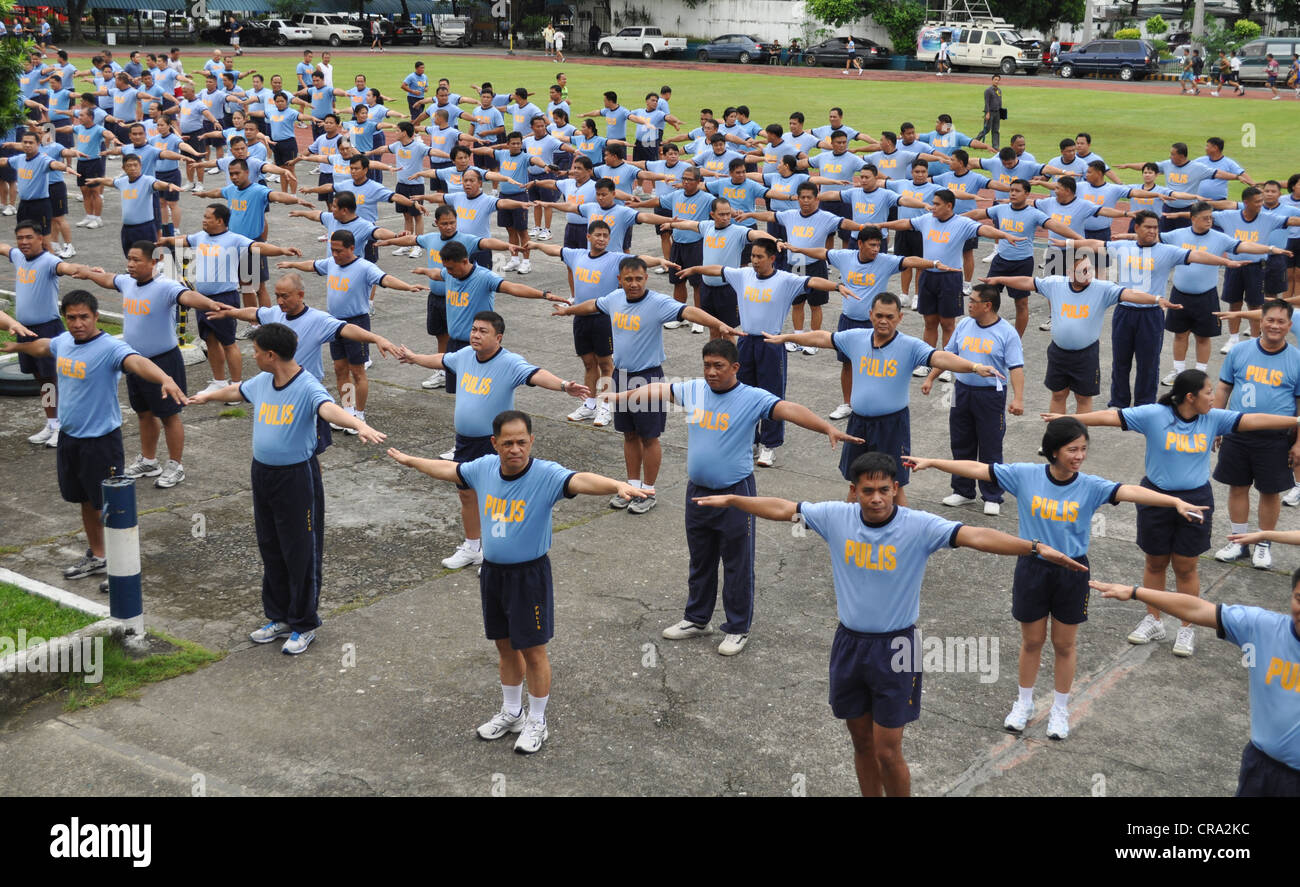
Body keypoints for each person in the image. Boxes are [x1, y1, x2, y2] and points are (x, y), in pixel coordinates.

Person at [695, 451, 1083, 794]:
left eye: (884, 489)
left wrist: (1034, 548)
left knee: (887, 747)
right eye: (867, 490)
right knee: (861, 743)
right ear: (854, 492)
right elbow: (783, 508)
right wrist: (734, 499)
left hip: (898, 648)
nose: (877, 498)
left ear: (896, 488)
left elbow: (976, 535)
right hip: (848, 644)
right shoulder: (836, 517)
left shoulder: (919, 526)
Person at [906, 419, 1206, 740]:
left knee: (1064, 644)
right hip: (1032, 567)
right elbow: (979, 469)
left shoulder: (1089, 486)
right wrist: (934, 462)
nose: (1079, 456)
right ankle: (1024, 703)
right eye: (1072, 449)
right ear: (1053, 451)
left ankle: (1060, 708)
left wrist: (1173, 501)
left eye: (1083, 449)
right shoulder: (1025, 475)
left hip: (1072, 571)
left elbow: (1129, 491)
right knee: (1032, 641)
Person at [389, 410, 645, 754]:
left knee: (533, 650)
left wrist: (616, 485)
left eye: (521, 442)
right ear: (494, 444)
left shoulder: (545, 475)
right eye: (507, 443)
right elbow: (451, 470)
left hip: (529, 577)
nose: (514, 449)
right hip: (493, 575)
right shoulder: (482, 468)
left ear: (531, 442)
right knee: (504, 646)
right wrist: (411, 461)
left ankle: (537, 721)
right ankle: (512, 713)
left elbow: (580, 480)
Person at [604, 339, 862, 656]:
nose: (711, 372)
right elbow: (655, 391)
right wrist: (619, 396)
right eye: (707, 365)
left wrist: (827, 428)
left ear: (735, 367)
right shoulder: (694, 389)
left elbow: (789, 409)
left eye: (719, 366)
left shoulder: (751, 398)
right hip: (696, 492)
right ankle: (697, 619)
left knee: (738, 564)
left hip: (736, 493)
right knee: (701, 560)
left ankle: (737, 627)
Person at [1045, 369, 1300, 657]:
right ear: (1190, 397)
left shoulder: (1214, 418)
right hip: (1155, 497)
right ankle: (1153, 620)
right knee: (1155, 563)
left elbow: (1254, 420)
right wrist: (1069, 420)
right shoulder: (1155, 415)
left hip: (1196, 500)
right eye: (1208, 392)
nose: (1214, 398)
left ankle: (1186, 626)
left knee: (1185, 565)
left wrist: (1296, 420)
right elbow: (1111, 417)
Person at [191, 323, 383, 655]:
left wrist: (358, 423)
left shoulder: (306, 385)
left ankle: (304, 623)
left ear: (270, 355)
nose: (252, 356)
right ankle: (279, 618)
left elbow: (328, 408)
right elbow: (237, 391)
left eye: (255, 351)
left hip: (295, 477)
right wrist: (208, 395)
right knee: (271, 546)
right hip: (262, 474)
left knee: (300, 551)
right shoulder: (264, 381)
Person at [4, 290, 187, 581]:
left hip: (101, 442)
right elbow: (44, 346)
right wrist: (18, 346)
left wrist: (164, 378)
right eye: (72, 318)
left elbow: (137, 363)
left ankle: (122, 565)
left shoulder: (110, 348)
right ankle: (99, 555)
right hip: (70, 438)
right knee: (85, 501)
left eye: (84, 317)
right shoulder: (64, 342)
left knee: (111, 505)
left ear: (96, 316)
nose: (78, 323)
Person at [395, 310, 593, 570]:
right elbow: (442, 359)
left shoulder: (509, 363)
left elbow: (536, 373)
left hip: (493, 444)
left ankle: (493, 549)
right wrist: (414, 358)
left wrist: (563, 385)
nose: (475, 335)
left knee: (495, 497)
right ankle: (472, 547)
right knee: (466, 494)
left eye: (483, 331)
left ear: (498, 337)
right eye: (474, 329)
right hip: (464, 442)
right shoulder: (465, 355)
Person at [769, 288, 1001, 507]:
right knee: (855, 482)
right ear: (870, 315)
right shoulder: (855, 338)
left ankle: (902, 538)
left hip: (892, 426)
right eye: (879, 315)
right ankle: (849, 526)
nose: (883, 321)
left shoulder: (909, 346)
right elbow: (822, 338)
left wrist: (973, 366)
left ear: (900, 317)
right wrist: (788, 337)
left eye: (890, 316)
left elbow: (940, 357)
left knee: (894, 484)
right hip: (858, 424)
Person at [1091, 575, 1300, 796]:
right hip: (1261, 768)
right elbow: (1198, 609)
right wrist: (1135, 592)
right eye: (1298, 598)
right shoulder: (1263, 627)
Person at [555, 255, 727, 511]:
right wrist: (569, 309)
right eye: (628, 279)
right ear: (619, 280)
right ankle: (632, 485)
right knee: (629, 434)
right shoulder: (613, 299)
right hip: (620, 377)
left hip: (647, 378)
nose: (633, 284)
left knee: (649, 437)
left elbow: (688, 311)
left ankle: (648, 490)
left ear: (646, 278)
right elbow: (592, 305)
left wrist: (718, 323)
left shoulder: (657, 303)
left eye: (638, 279)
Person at [71, 242, 233, 489]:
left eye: (136, 260)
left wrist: (210, 304)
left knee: (169, 416)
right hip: (135, 362)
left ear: (153, 262)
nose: (131, 265)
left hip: (164, 361)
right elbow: (107, 279)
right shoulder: (127, 282)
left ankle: (175, 465)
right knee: (144, 413)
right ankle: (148, 461)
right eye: (129, 260)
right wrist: (87, 273)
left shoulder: (165, 287)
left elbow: (187, 296)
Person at [984, 248, 1174, 416]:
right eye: (1083, 270)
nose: (1088, 274)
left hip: (1086, 355)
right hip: (1058, 353)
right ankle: (1057, 439)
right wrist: (1000, 279)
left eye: (1090, 269)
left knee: (1083, 398)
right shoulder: (1055, 284)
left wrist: (1156, 299)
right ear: (1070, 272)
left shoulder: (1103, 289)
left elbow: (1130, 294)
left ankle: (1077, 438)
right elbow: (1027, 281)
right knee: (1058, 394)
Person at [277, 230, 424, 430]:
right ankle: (347, 412)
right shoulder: (331, 263)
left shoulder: (364, 267)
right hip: (334, 324)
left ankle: (359, 415)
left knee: (358, 372)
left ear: (351, 248)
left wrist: (407, 287)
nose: (335, 255)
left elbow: (385, 279)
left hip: (357, 323)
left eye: (339, 251)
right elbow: (312, 265)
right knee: (340, 369)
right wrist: (292, 264)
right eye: (333, 250)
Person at [1206, 299, 1300, 571]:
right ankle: (1238, 541)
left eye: (1281, 321)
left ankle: (1263, 543)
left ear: (1289, 326)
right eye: (1270, 319)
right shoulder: (1240, 351)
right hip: (1238, 431)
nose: (1274, 325)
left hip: (1275, 438)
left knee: (1270, 492)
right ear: (1261, 321)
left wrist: (1298, 442)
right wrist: (1217, 424)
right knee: (1237, 486)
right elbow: (1223, 389)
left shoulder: (1296, 359)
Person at [6, 222, 96, 448]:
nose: (24, 242)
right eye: (20, 238)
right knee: (42, 380)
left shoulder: (49, 261)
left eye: (29, 237)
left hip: (48, 329)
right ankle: (52, 422)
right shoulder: (17, 256)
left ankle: (65, 425)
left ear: (40, 239)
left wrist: (87, 271)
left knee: (57, 380)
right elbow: (4, 248)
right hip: (24, 330)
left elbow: (67, 268)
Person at [975, 75, 1003, 149]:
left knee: (996, 130)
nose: (997, 81)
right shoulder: (988, 91)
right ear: (992, 80)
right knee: (986, 129)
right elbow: (986, 102)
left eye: (998, 80)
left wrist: (1001, 113)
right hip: (990, 112)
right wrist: (987, 113)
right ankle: (975, 142)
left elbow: (1000, 102)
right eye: (995, 79)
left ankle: (995, 146)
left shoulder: (999, 90)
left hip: (997, 113)